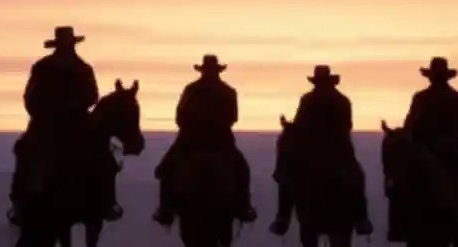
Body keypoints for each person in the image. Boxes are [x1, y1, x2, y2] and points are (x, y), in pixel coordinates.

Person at [8, 26, 120, 226]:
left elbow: (93, 95)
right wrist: (44, 110)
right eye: (65, 45)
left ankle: (106, 201)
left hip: (77, 121)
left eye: (70, 45)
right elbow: (30, 96)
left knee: (105, 156)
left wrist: (76, 104)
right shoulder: (42, 68)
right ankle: (20, 202)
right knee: (26, 150)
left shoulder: (83, 69)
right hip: (46, 122)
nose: (68, 49)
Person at [393, 56, 458, 242]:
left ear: (430, 77)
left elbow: (409, 125)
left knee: (399, 183)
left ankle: (398, 227)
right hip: (450, 150)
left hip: (424, 149)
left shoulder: (421, 97)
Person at [153, 55, 257, 226]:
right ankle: (243, 206)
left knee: (168, 167)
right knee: (241, 168)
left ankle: (166, 209)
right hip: (219, 139)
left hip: (193, 138)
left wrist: (191, 125)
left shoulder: (192, 89)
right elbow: (233, 117)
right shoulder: (227, 91)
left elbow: (180, 115)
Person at [270, 65, 373, 236]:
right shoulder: (342, 100)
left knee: (288, 177)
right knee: (356, 176)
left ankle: (283, 217)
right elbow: (347, 126)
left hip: (315, 148)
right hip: (339, 150)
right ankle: (361, 219)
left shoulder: (308, 99)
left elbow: (299, 124)